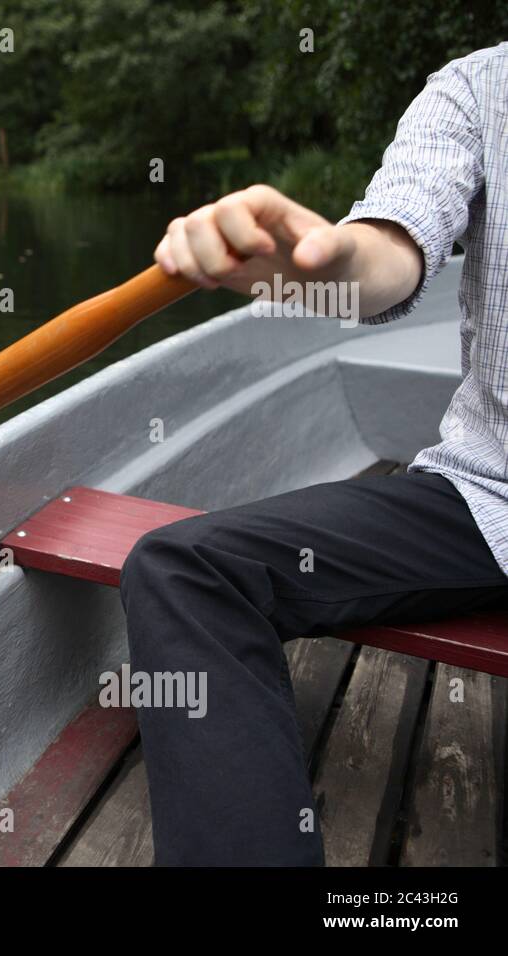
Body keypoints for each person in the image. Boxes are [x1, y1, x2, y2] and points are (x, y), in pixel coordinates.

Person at [126, 43, 508, 865]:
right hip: (489, 495)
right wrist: (327, 264)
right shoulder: (480, 87)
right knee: (182, 569)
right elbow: (390, 253)